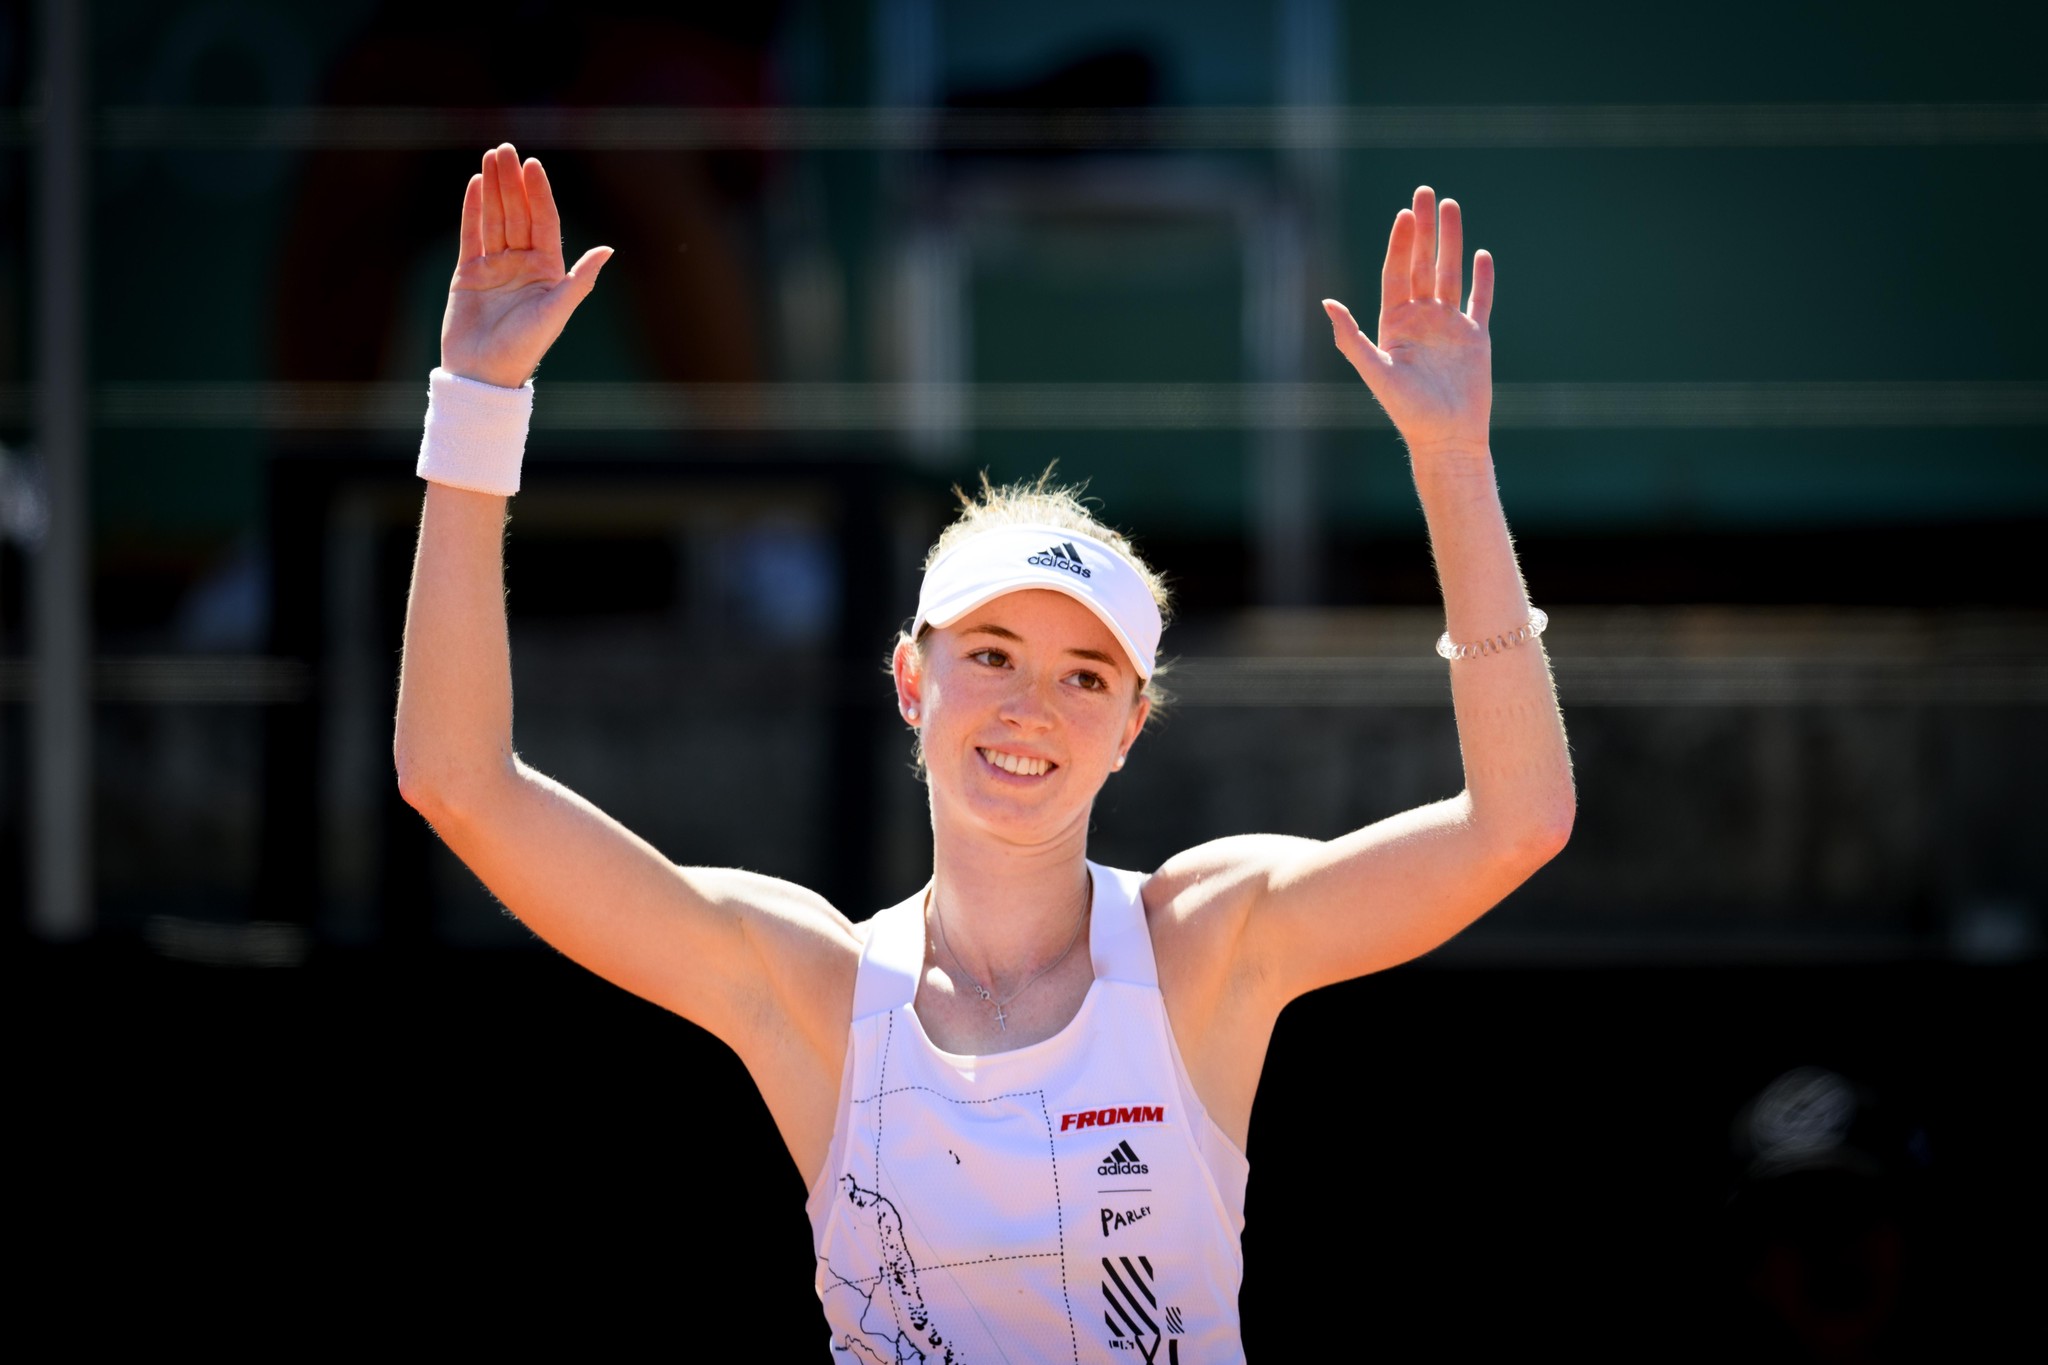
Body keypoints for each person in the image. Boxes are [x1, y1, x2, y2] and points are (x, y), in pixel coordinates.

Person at [395, 143, 1574, 1361]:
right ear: (913, 680)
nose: (1029, 710)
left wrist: (1449, 462)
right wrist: (477, 407)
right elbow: (456, 780)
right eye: (993, 654)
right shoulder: (812, 987)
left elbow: (1516, 822)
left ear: (1129, 727)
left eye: (1082, 677)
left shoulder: (1206, 939)